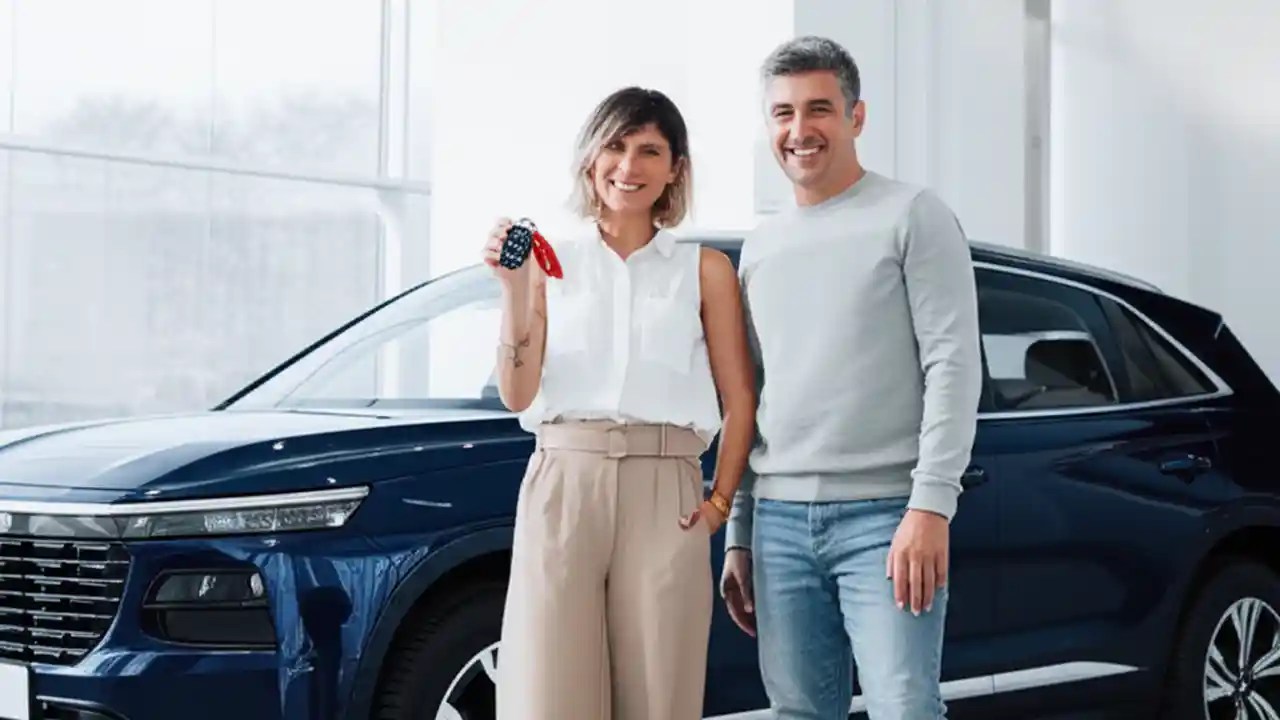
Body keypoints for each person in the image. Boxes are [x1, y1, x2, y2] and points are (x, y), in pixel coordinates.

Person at [719, 36, 983, 719]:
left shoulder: (912, 215)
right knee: (799, 712)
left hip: (886, 516)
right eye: (782, 113)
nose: (799, 131)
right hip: (778, 521)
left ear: (856, 117)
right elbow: (754, 394)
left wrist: (930, 506)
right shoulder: (763, 244)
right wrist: (742, 531)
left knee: (906, 707)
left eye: (819, 110)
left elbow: (953, 365)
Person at [484, 86, 756, 720]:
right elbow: (517, 393)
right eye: (615, 145)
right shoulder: (549, 264)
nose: (628, 166)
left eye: (649, 151)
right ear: (590, 159)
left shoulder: (704, 269)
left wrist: (719, 504)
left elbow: (739, 399)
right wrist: (513, 290)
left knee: (659, 697)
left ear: (674, 170)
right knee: (547, 698)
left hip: (667, 490)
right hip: (563, 483)